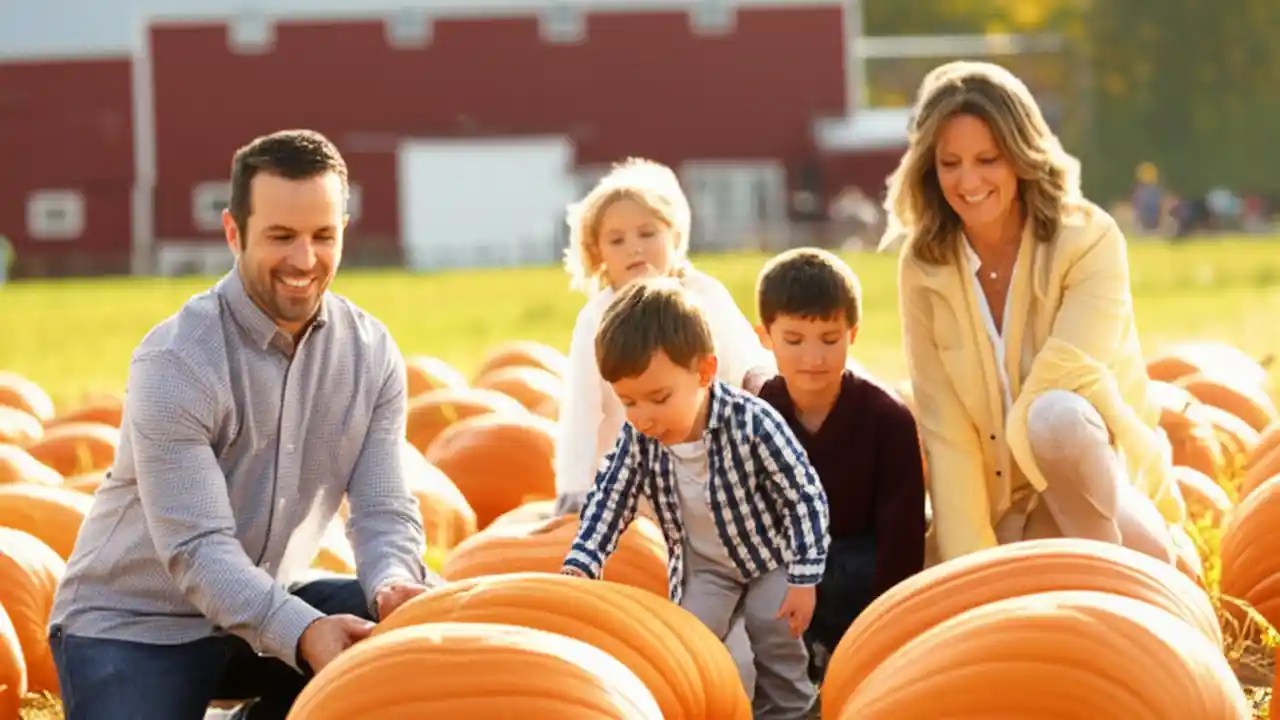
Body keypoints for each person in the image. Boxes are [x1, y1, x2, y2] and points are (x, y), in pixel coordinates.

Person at [47, 129, 434, 719]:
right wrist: (305, 633)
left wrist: (394, 584)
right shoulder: (177, 361)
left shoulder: (369, 353)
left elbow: (383, 508)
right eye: (281, 237)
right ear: (234, 232)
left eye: (322, 236)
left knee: (405, 630)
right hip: (134, 623)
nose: (304, 260)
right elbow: (198, 550)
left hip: (263, 606)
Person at [882, 60, 1186, 567]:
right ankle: (1043, 561)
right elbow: (945, 430)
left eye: (988, 158)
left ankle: (1120, 587)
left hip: (1098, 480)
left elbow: (1066, 376)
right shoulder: (923, 266)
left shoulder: (1088, 240)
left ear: (1022, 157)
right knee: (981, 588)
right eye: (950, 162)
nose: (968, 180)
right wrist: (976, 565)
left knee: (1055, 415)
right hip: (1005, 510)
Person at [560, 277, 830, 719]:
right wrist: (583, 562)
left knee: (772, 626)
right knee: (688, 641)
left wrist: (803, 574)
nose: (643, 416)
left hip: (768, 559)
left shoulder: (754, 423)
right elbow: (611, 496)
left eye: (658, 397)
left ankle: (794, 710)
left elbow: (804, 495)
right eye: (628, 402)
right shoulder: (640, 438)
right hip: (704, 569)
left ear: (705, 373)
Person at [553, 157, 774, 517]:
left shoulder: (704, 294)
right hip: (635, 478)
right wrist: (573, 488)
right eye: (617, 240)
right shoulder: (596, 318)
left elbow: (747, 364)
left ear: (674, 236)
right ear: (598, 253)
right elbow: (581, 409)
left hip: (714, 468)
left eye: (647, 233)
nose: (634, 248)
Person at [753, 247, 925, 677]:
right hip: (786, 565)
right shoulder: (758, 413)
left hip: (858, 565)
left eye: (830, 340)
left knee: (847, 572)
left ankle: (848, 654)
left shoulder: (888, 419)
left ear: (853, 335)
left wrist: (887, 626)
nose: (813, 357)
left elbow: (901, 539)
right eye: (794, 340)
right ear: (765, 337)